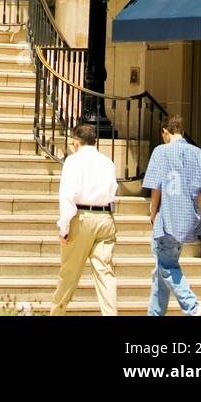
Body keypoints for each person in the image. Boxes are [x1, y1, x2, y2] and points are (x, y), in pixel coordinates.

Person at [143, 114, 201, 317]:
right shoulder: (199, 153)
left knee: (166, 266)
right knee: (161, 270)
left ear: (165, 132)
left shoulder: (161, 152)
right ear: (181, 131)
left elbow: (156, 187)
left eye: (162, 134)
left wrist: (153, 211)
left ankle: (192, 305)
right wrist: (193, 212)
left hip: (167, 219)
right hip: (187, 219)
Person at [50, 122, 119, 317]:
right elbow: (113, 191)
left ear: (76, 142)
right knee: (105, 274)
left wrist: (63, 228)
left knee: (69, 273)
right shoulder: (107, 162)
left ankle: (57, 313)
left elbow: (67, 196)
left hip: (82, 218)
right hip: (106, 217)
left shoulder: (73, 161)